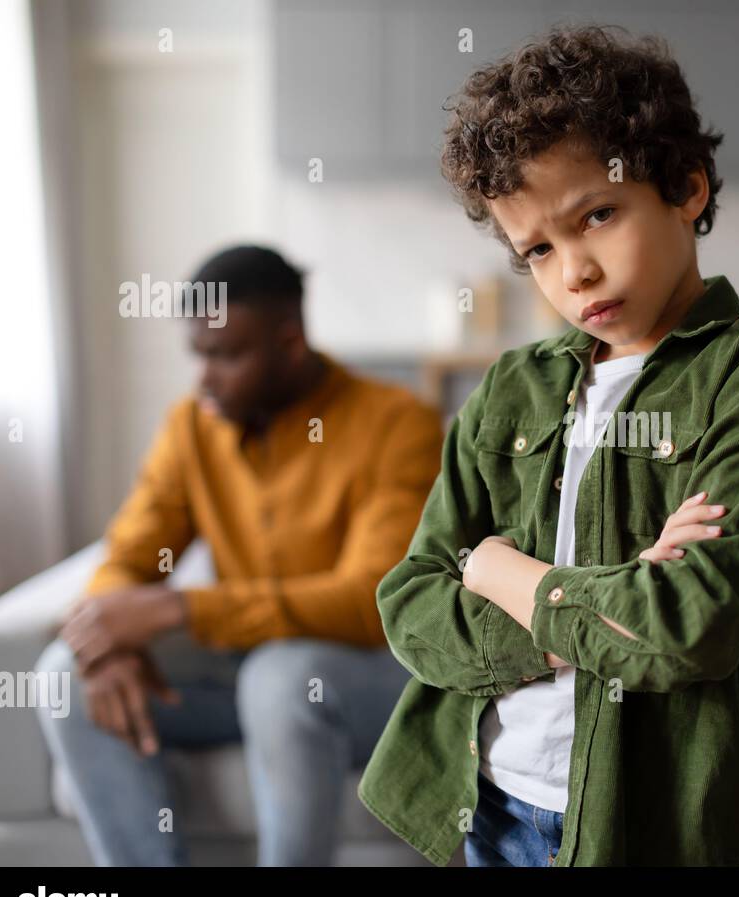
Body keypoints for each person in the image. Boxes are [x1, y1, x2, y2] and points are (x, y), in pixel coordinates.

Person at [357, 25, 739, 867]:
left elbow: (688, 628)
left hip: (649, 824)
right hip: (491, 804)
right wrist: (609, 600)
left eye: (598, 215)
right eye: (537, 248)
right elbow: (410, 604)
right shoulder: (512, 387)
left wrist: (506, 575)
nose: (572, 271)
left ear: (686, 187)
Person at [35, 244, 444, 865]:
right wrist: (106, 642)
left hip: (367, 681)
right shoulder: (192, 427)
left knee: (280, 677)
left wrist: (182, 611)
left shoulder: (397, 423)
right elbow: (128, 555)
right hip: (243, 675)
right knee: (64, 675)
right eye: (198, 354)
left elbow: (370, 599)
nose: (204, 377)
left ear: (289, 341)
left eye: (226, 355)